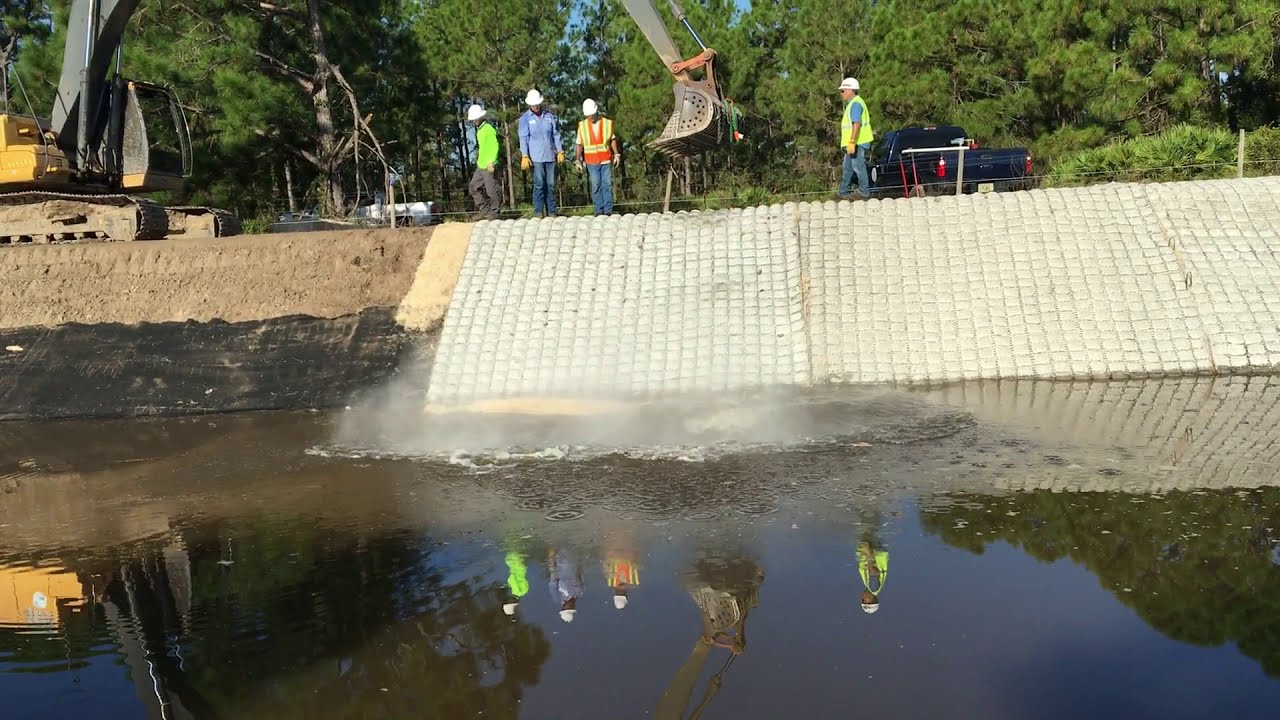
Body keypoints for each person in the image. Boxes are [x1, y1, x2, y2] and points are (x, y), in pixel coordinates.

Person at [518, 89, 564, 218]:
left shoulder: (549, 116)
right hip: (536, 157)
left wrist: (560, 150)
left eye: (537, 104)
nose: (536, 106)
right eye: (533, 105)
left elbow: (555, 134)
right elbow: (524, 137)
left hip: (550, 155)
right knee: (539, 184)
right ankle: (538, 211)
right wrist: (525, 155)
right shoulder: (525, 119)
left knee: (551, 184)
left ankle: (552, 210)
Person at [575, 98, 620, 215]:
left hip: (605, 159)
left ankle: (608, 209)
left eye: (592, 115)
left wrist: (617, 154)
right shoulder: (583, 126)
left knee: (607, 184)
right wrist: (578, 160)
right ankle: (598, 209)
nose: (590, 117)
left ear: (596, 112)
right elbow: (579, 144)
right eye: (588, 115)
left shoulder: (606, 123)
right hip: (591, 161)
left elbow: (612, 139)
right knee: (596, 185)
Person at [836, 77, 875, 201]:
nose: (841, 93)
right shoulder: (852, 104)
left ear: (850, 90)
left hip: (857, 142)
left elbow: (856, 123)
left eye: (843, 91)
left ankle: (864, 192)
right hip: (852, 143)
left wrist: (852, 141)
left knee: (858, 166)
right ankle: (843, 192)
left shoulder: (856, 104)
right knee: (847, 167)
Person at [466, 103, 501, 219]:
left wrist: (492, 161)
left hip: (489, 164)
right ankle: (484, 210)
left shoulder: (488, 129)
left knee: (491, 189)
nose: (474, 121)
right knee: (473, 187)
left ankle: (495, 212)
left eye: (475, 119)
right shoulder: (480, 131)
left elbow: (494, 145)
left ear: (481, 117)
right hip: (481, 165)